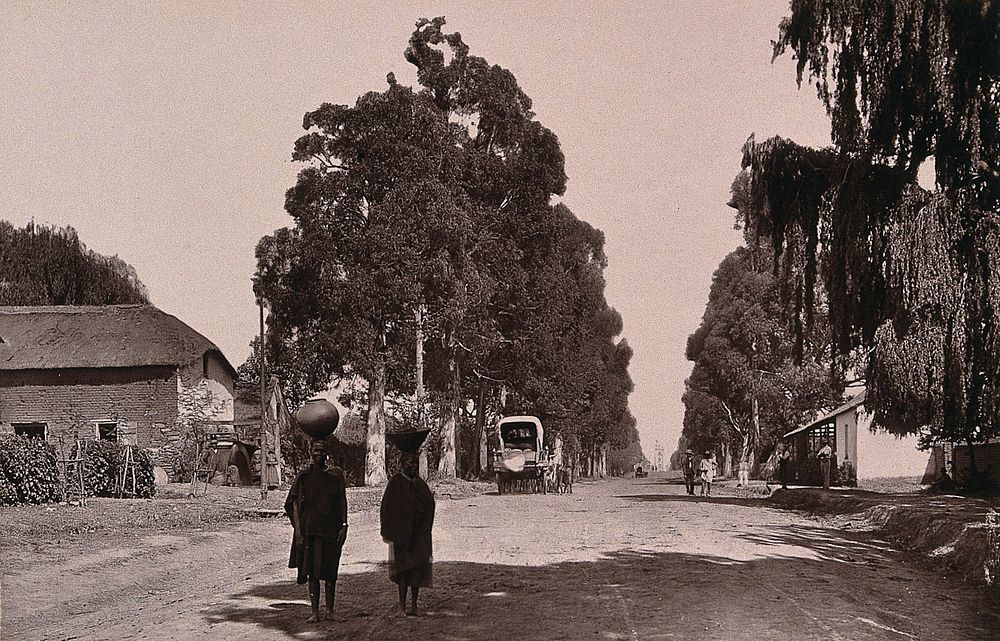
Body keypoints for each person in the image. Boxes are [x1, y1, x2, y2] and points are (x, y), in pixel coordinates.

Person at [284, 440, 348, 623]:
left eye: (323, 450)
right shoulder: (304, 476)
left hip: (331, 529)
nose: (319, 453)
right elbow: (294, 504)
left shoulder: (336, 475)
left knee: (330, 571)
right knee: (312, 571)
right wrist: (298, 531)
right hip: (310, 530)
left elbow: (342, 501)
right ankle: (315, 612)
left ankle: (329, 610)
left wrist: (344, 525)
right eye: (316, 450)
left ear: (327, 453)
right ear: (310, 451)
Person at [380, 448, 436, 617]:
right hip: (401, 535)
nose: (414, 466)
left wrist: (425, 529)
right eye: (410, 463)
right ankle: (402, 607)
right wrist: (389, 531)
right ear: (402, 464)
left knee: (417, 569)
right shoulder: (395, 483)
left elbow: (430, 506)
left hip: (419, 535)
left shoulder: (420, 484)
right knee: (403, 570)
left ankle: (414, 605)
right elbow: (386, 509)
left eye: (416, 463)